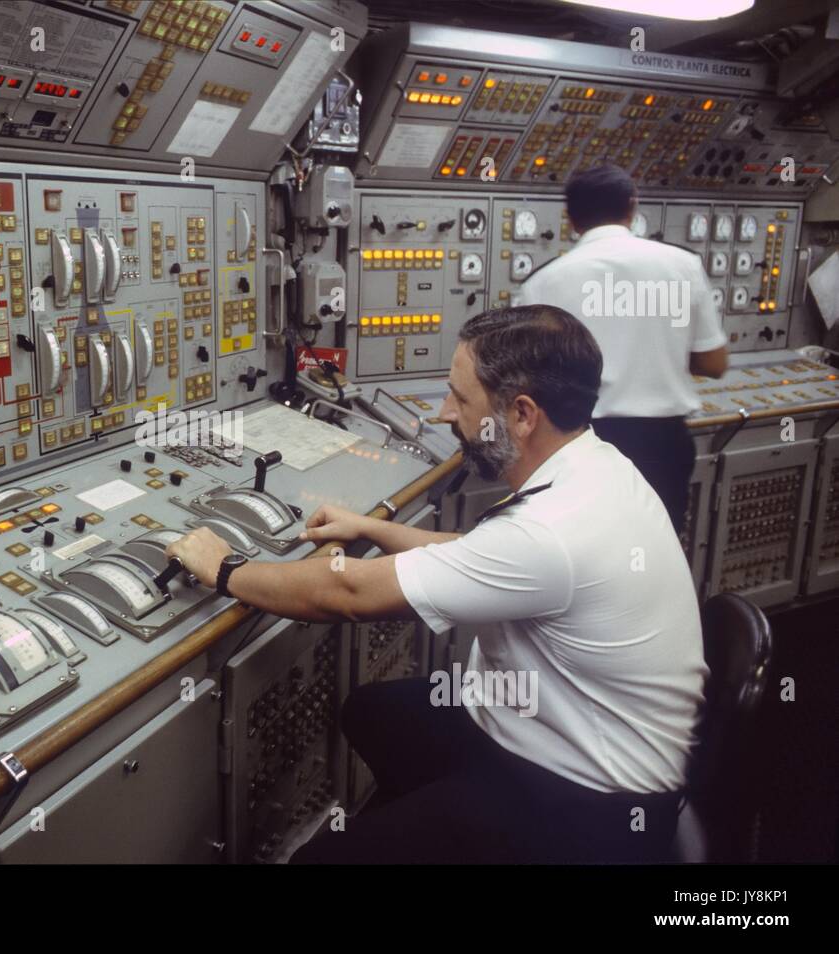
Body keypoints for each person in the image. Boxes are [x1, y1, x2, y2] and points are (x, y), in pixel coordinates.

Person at [166, 305, 708, 863]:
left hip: (589, 807)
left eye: (462, 398)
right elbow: (483, 560)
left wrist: (226, 569)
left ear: (521, 415)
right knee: (374, 714)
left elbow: (347, 594)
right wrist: (374, 527)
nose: (446, 413)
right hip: (552, 738)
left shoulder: (552, 530)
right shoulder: (595, 467)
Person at [513, 162, 729, 530]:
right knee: (659, 545)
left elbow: (526, 374)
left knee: (582, 550)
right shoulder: (683, 265)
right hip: (662, 445)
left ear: (570, 219)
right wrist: (661, 353)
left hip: (578, 445)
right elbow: (714, 362)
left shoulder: (542, 283)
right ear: (632, 206)